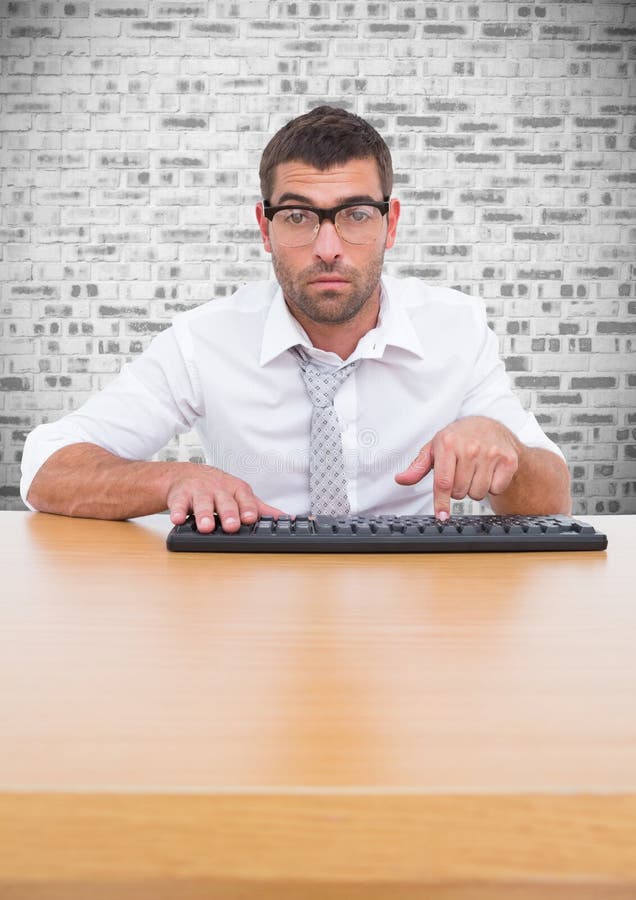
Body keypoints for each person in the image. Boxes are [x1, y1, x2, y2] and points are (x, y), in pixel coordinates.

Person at [21, 105, 571, 533]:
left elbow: (551, 500)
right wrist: (172, 477)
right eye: (299, 216)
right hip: (253, 608)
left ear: (391, 223)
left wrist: (510, 452)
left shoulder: (458, 329)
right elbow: (47, 468)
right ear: (265, 229)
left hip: (414, 606)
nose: (328, 247)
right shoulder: (205, 339)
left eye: (356, 214)